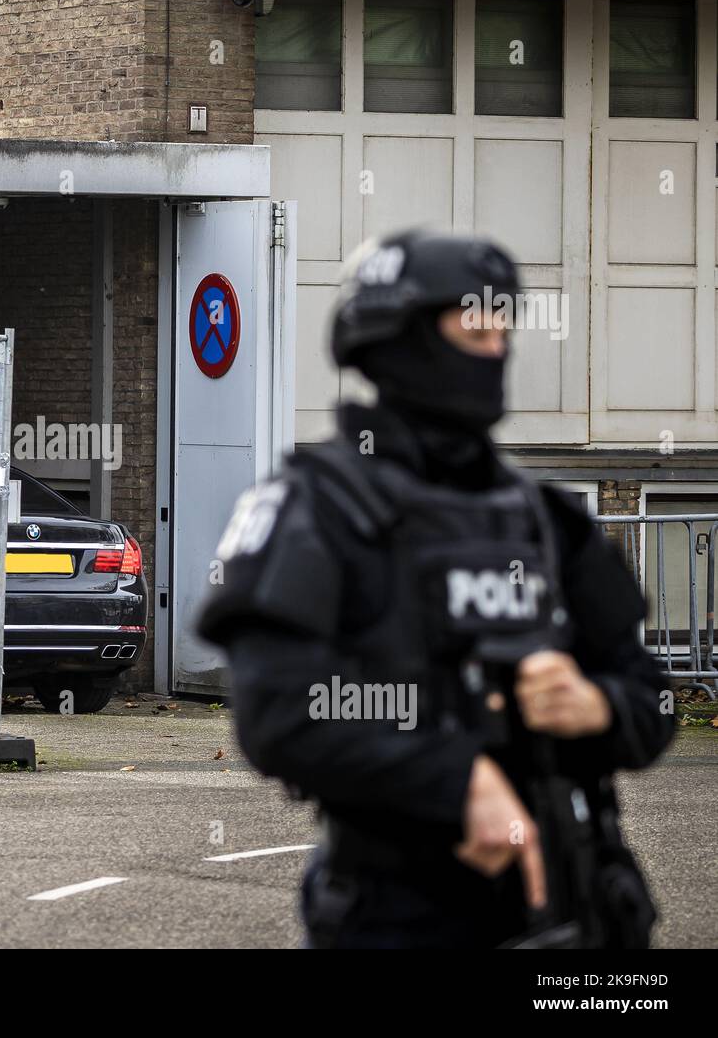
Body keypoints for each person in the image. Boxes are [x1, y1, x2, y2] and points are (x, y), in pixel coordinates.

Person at [197, 229, 674, 948]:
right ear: (404, 337)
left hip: (581, 906)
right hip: (402, 914)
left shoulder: (545, 521)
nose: (496, 348)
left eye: (503, 328)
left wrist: (598, 704)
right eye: (473, 326)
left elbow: (654, 696)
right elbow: (278, 714)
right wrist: (455, 781)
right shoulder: (317, 507)